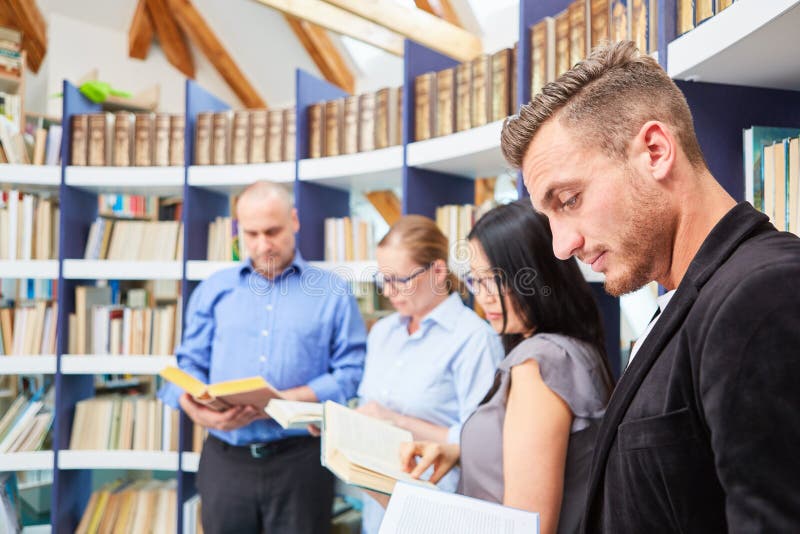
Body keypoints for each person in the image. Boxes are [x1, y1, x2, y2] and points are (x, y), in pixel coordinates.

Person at [500, 40, 800, 532]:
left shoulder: (763, 294)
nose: (560, 245)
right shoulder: (690, 297)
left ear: (656, 152)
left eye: (569, 199)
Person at [160, 181, 367, 533]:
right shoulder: (214, 289)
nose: (263, 245)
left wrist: (287, 401)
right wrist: (200, 413)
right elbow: (187, 366)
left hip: (302, 462)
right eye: (251, 233)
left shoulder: (332, 292)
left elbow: (352, 371)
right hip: (226, 462)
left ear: (295, 220)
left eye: (273, 231)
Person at [400, 200, 613, 534]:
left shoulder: (538, 365)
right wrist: (460, 452)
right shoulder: (571, 348)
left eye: (492, 280)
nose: (482, 296)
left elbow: (527, 525)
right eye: (474, 281)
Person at [356, 215, 504, 534]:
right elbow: (369, 405)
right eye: (384, 280)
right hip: (378, 509)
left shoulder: (474, 339)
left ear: (437, 271)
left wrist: (397, 421)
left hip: (438, 512)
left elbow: (481, 443)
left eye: (400, 280)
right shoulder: (382, 332)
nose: (390, 292)